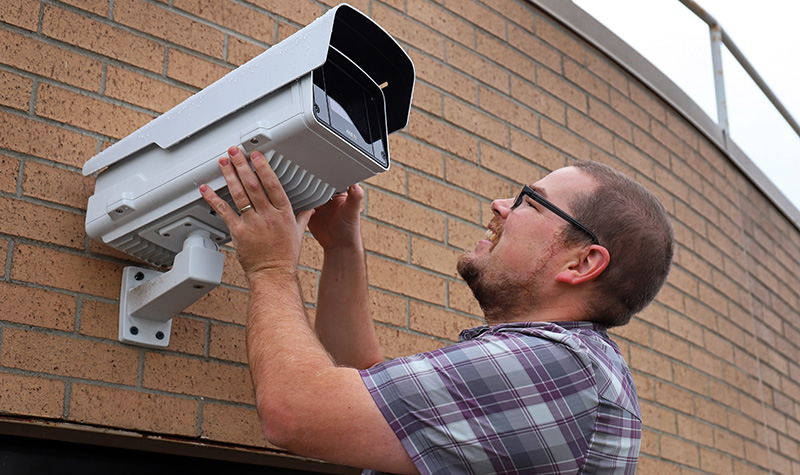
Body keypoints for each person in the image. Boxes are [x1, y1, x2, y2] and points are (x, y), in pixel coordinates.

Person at [199, 146, 674, 474]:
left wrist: (272, 266)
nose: (501, 204)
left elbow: (298, 412)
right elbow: (367, 397)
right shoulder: (570, 369)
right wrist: (341, 248)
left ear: (582, 261)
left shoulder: (561, 367)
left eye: (531, 202)